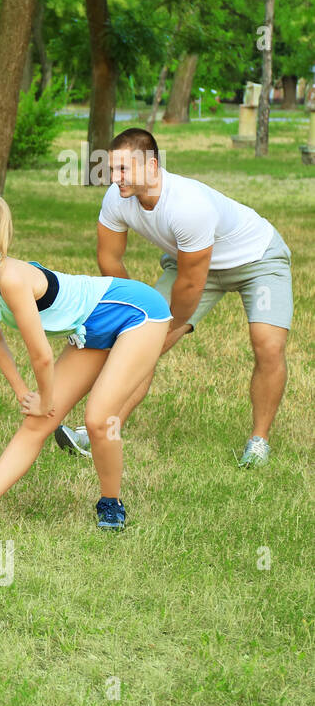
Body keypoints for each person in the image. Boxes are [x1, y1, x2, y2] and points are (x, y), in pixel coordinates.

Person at [0, 193, 170, 531]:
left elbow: (41, 354)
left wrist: (47, 399)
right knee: (35, 424)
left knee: (98, 420)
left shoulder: (9, 277)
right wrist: (25, 393)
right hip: (89, 329)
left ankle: (111, 504)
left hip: (137, 313)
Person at [53, 127, 291, 467]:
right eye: (112, 168)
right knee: (140, 344)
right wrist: (137, 315)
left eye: (124, 169)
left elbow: (192, 286)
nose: (114, 177)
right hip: (191, 264)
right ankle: (99, 431)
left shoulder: (187, 205)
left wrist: (168, 326)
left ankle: (259, 440)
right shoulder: (117, 198)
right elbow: (110, 260)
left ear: (152, 166)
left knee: (267, 344)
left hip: (257, 260)